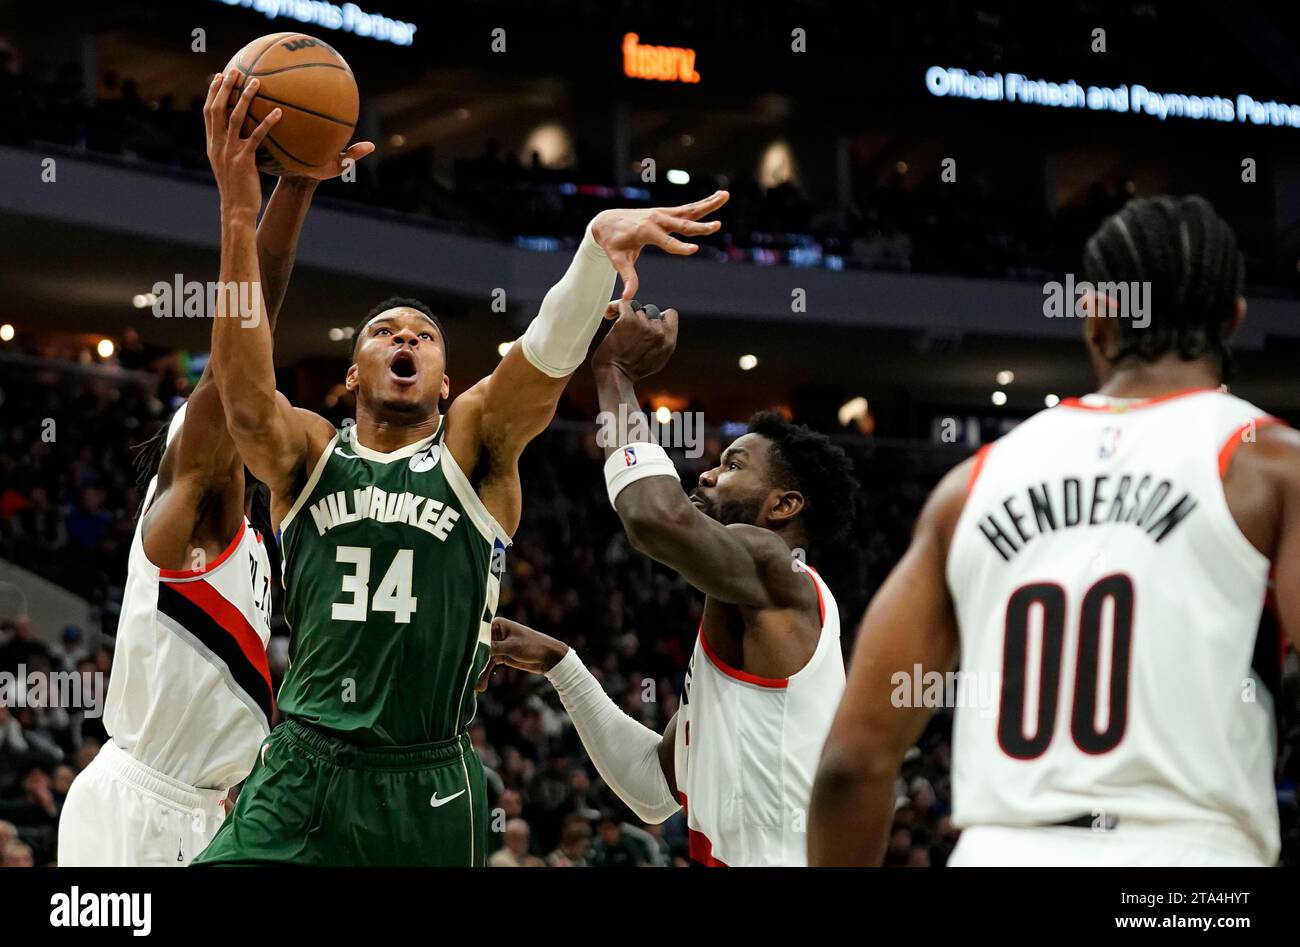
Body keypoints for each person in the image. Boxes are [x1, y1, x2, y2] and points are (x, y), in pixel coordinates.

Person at [192, 67, 729, 866]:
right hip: (301, 767)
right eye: (383, 332)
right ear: (350, 376)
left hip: (429, 780)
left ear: (446, 382)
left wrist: (591, 254)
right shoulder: (307, 453)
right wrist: (241, 213)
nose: (403, 339)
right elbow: (240, 393)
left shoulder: (472, 449)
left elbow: (540, 367)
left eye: (421, 335)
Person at [810, 195, 1300, 867]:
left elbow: (852, 761)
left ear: (1095, 321)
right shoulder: (1271, 466)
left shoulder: (969, 485)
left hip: (998, 851)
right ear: (1235, 321)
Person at [55, 68, 340, 866]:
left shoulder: (247, 532)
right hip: (135, 810)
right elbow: (242, 350)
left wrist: (300, 186)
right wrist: (243, 209)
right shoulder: (189, 509)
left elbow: (251, 349)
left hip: (208, 811)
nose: (249, 410)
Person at [483, 300, 859, 866]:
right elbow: (652, 791)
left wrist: (616, 374)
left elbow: (653, 517)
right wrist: (564, 665)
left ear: (784, 505)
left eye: (733, 466)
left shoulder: (779, 571)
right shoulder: (751, 626)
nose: (706, 471)